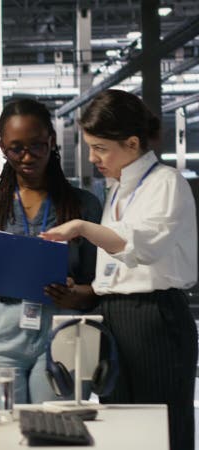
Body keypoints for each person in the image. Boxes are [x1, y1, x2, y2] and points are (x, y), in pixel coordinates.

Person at [41, 89, 197, 450]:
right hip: (114, 315)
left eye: (100, 147)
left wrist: (81, 227)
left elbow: (141, 245)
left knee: (161, 429)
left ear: (132, 142)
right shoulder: (118, 189)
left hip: (154, 318)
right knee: (120, 427)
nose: (93, 157)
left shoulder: (166, 183)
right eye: (90, 146)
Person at [0, 98, 102, 404]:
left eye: (37, 146)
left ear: (51, 141)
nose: (27, 156)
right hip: (1, 329)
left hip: (62, 326)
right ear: (3, 147)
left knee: (55, 428)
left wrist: (74, 294)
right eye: (17, 148)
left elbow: (100, 286)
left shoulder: (83, 205)